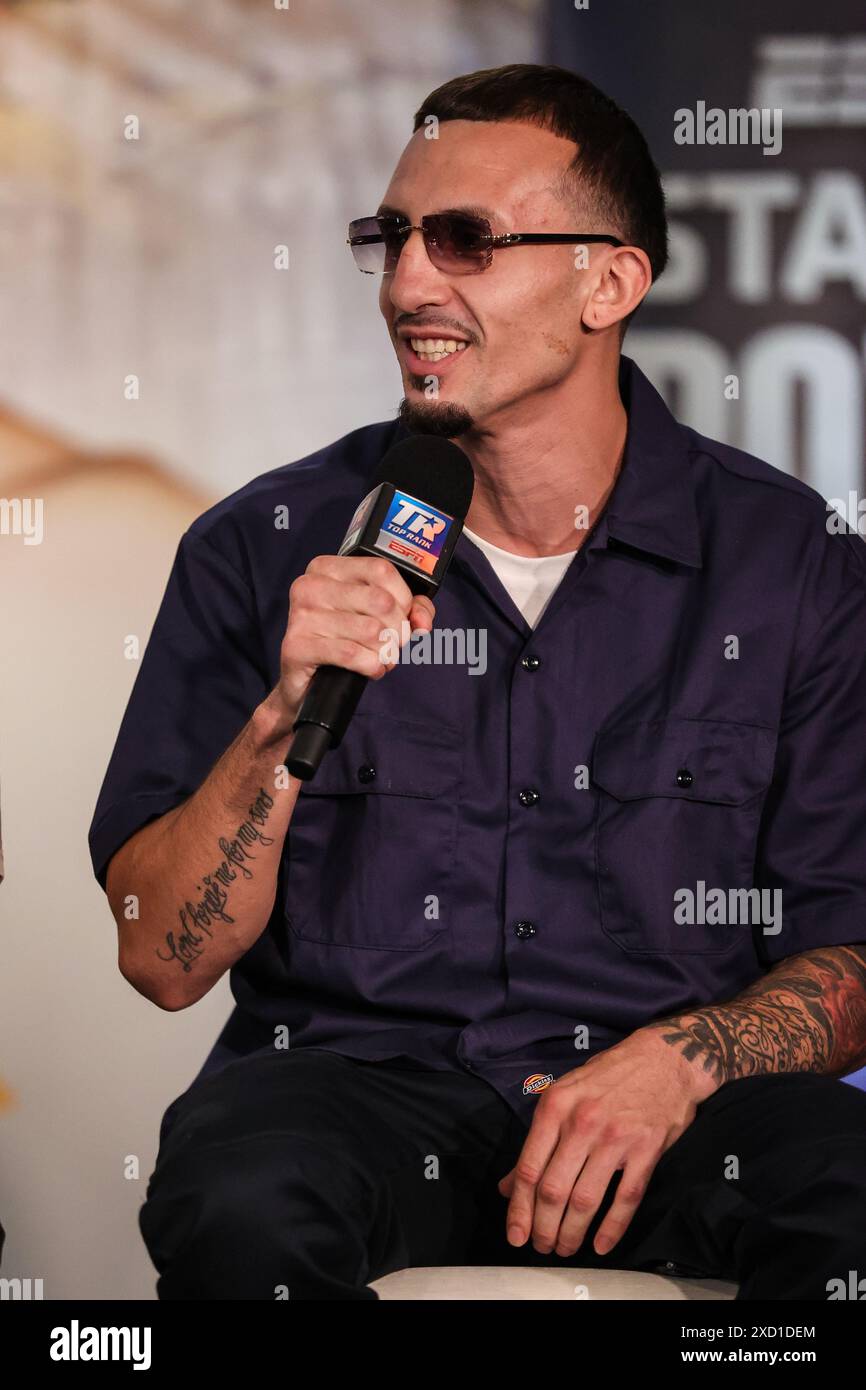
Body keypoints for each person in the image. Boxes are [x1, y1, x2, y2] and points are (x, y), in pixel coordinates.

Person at [88, 64, 866, 1301]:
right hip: (355, 1097)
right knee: (236, 1192)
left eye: (463, 241)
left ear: (607, 280)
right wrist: (283, 721)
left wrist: (682, 1062)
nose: (406, 284)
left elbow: (852, 953)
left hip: (669, 1114)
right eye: (389, 238)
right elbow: (162, 959)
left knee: (849, 1191)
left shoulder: (791, 567)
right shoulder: (265, 542)